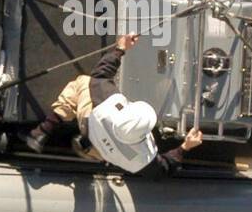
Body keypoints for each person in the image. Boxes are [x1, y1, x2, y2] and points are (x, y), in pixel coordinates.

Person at [25, 32, 203, 176]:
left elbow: (100, 74)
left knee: (82, 82)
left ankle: (43, 131)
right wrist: (186, 146)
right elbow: (162, 169)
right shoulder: (142, 159)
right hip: (98, 150)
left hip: (91, 124)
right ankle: (83, 151)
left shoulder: (106, 106)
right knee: (100, 151)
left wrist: (120, 48)